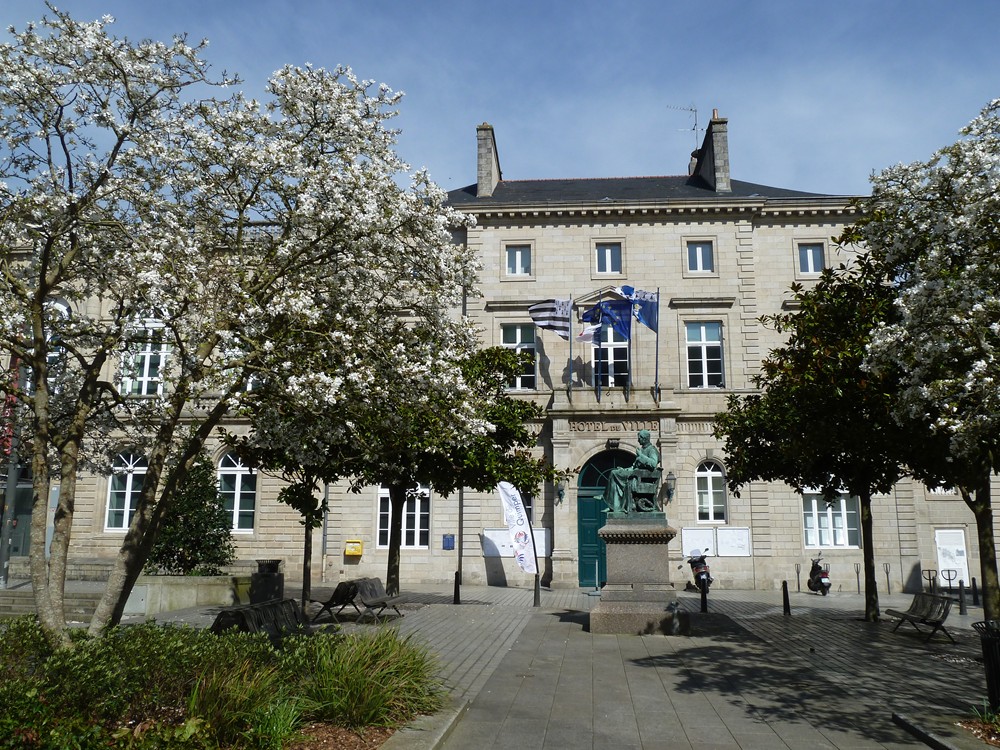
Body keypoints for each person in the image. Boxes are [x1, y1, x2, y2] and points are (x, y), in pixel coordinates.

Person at [603, 429, 659, 513]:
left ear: (644, 438)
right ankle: (614, 505)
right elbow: (634, 466)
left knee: (614, 473)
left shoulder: (651, 450)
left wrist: (641, 456)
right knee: (615, 473)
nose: (638, 440)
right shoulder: (642, 449)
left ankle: (612, 503)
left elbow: (653, 463)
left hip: (641, 478)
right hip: (635, 474)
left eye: (639, 438)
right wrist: (624, 469)